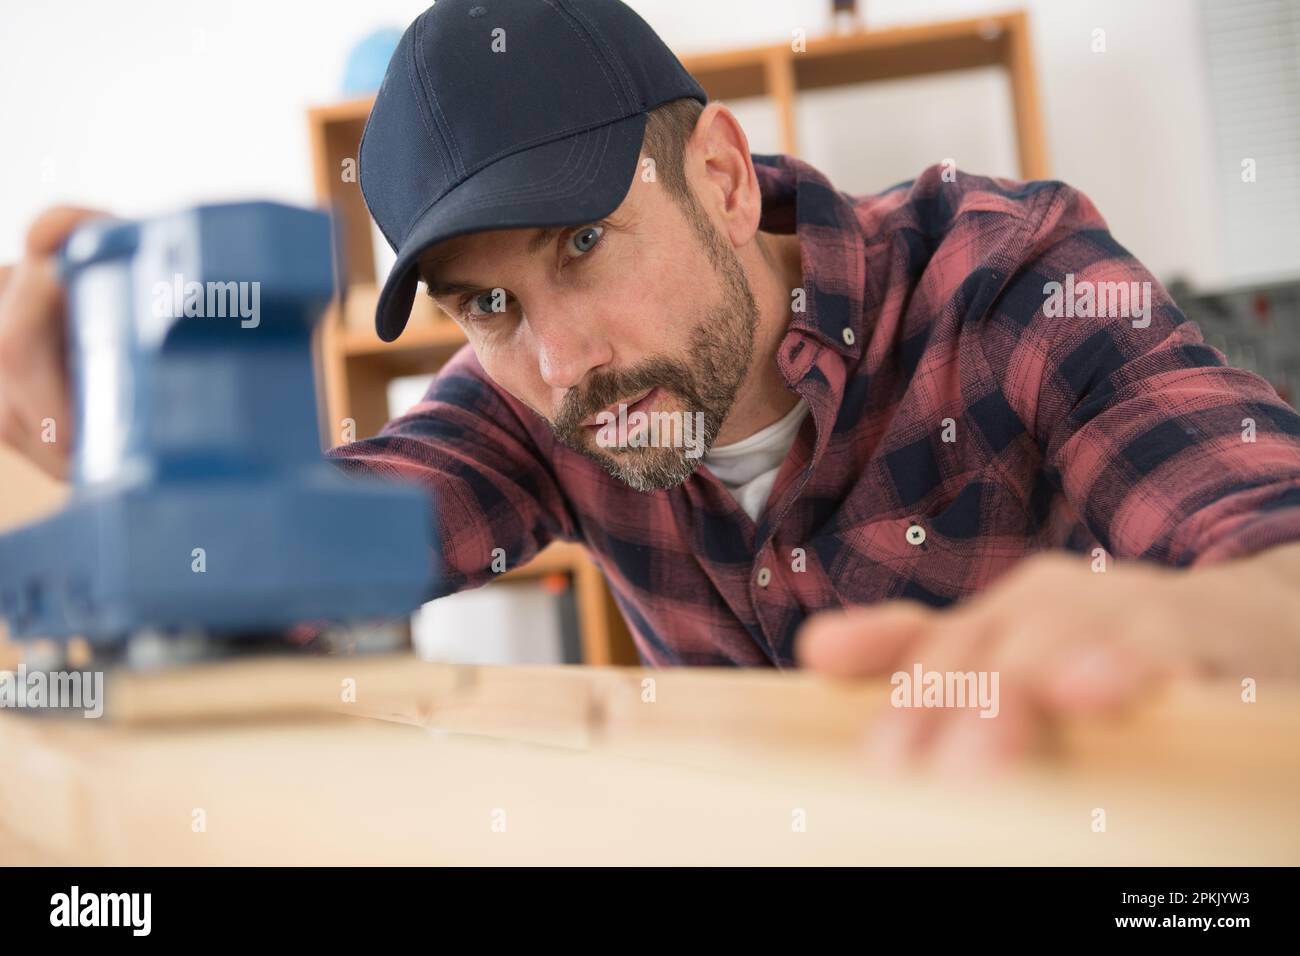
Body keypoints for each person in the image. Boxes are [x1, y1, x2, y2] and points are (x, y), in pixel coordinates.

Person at [3, 0, 1299, 767]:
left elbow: (1277, 546)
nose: (566, 363)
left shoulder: (1011, 277)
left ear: (726, 181)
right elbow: (261, 575)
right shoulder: (528, 395)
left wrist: (1216, 626)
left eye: (583, 244)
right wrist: (81, 468)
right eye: (489, 303)